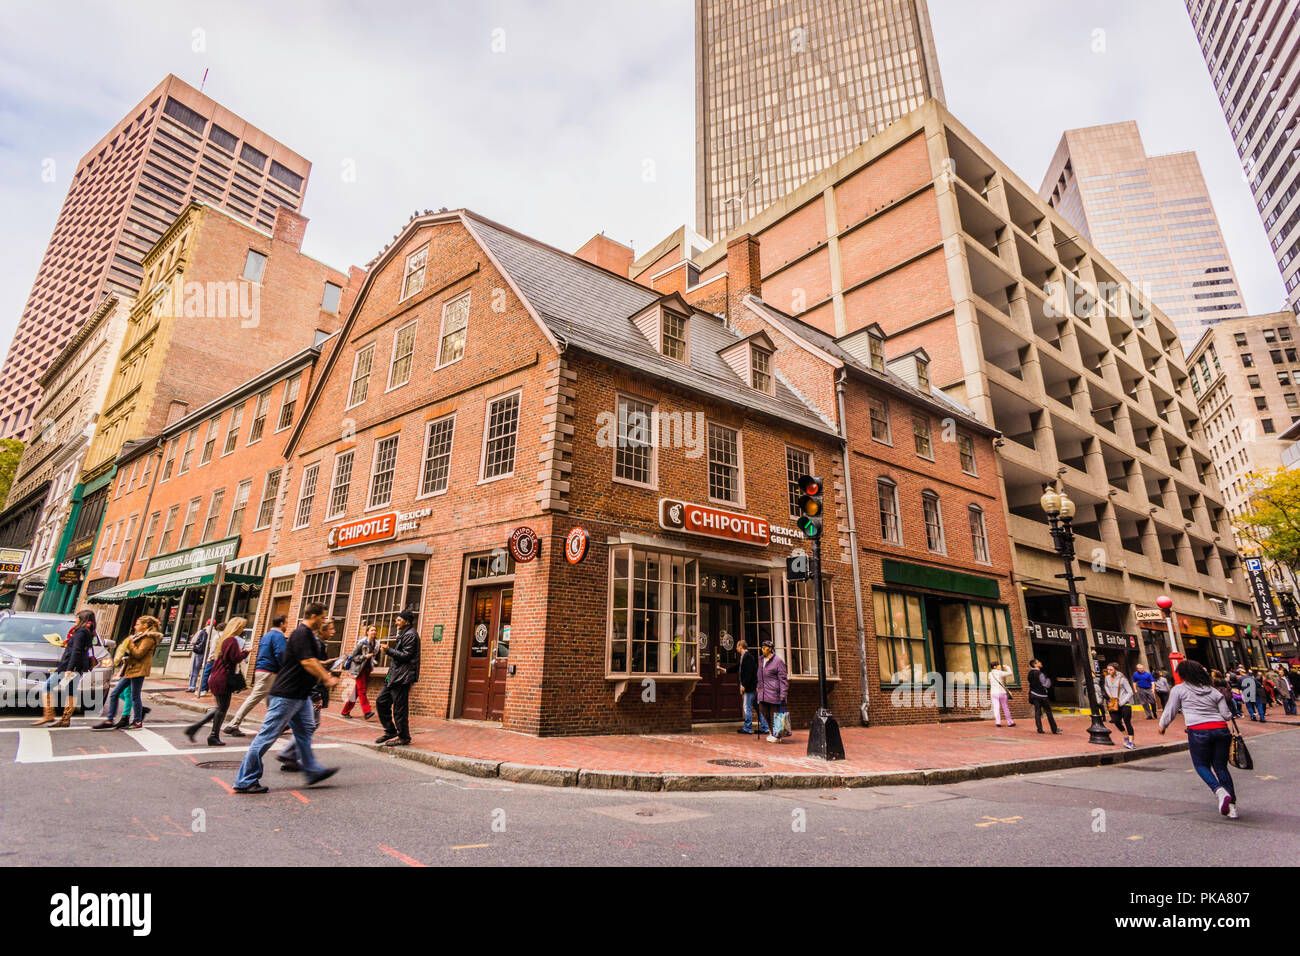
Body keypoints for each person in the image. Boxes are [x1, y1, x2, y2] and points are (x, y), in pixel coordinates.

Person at [231, 603, 340, 794]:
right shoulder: (301, 633)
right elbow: (307, 662)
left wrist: (323, 665)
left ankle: (312, 771)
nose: (324, 621)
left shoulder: (308, 637)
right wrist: (326, 677)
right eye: (322, 617)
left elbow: (307, 660)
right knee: (267, 736)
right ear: (313, 616)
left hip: (301, 695)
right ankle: (245, 780)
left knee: (305, 731)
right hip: (286, 695)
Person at [1158, 659, 1239, 818]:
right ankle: (1232, 807)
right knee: (1221, 767)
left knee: (1201, 765)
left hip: (1198, 730)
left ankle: (1220, 792)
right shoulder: (1214, 691)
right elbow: (1226, 715)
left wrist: (1162, 726)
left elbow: (1171, 710)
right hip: (1221, 729)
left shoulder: (1179, 690)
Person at [278, 617, 338, 772]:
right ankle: (289, 753)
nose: (334, 632)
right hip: (306, 692)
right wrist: (316, 694)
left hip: (305, 692)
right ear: (323, 629)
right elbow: (308, 670)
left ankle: (295, 760)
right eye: (331, 629)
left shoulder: (318, 643)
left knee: (307, 725)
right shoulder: (314, 643)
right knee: (309, 725)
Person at [184, 618, 248, 746]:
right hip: (223, 678)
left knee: (221, 707)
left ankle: (199, 730)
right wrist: (246, 652)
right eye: (242, 627)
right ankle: (210, 734)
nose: (243, 629)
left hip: (217, 676)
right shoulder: (232, 641)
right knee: (222, 708)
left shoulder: (224, 639)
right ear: (237, 627)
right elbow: (234, 658)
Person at [222, 615, 288, 737]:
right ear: (281, 624)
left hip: (261, 670)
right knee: (254, 698)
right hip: (269, 672)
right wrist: (285, 668)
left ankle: (277, 725)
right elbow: (281, 654)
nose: (287, 626)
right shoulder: (279, 636)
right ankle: (233, 724)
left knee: (271, 699)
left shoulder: (266, 636)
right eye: (286, 623)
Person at [92, 617, 160, 730]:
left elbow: (139, 654)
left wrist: (130, 644)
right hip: (131, 669)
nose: (135, 626)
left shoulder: (149, 638)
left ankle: (137, 721)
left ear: (146, 625)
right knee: (115, 693)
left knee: (134, 696)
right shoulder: (139, 636)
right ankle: (110, 720)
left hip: (138, 670)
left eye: (138, 624)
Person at [34, 609, 97, 728]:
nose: (75, 619)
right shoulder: (88, 631)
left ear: (82, 619)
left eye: (77, 617)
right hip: (78, 666)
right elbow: (78, 648)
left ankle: (49, 715)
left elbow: (76, 651)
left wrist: (69, 668)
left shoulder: (81, 632)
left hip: (70, 665)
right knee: (71, 691)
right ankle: (65, 719)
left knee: (47, 686)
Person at [375, 610, 421, 747]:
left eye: (398, 620)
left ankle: (404, 737)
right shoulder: (404, 633)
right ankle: (390, 731)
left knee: (399, 709)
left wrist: (389, 650)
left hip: (402, 677)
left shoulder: (411, 635)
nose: (396, 622)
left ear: (407, 622)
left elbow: (406, 655)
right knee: (381, 701)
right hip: (394, 676)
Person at [716, 637, 769, 735]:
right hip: (753, 686)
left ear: (740, 646)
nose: (736, 648)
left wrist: (744, 684)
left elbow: (749, 673)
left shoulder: (748, 657)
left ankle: (747, 728)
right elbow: (738, 667)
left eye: (737, 646)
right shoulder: (745, 656)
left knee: (746, 706)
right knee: (757, 707)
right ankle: (765, 727)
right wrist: (726, 670)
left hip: (750, 687)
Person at [754, 638, 789, 743]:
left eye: (764, 648)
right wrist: (757, 686)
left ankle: (777, 735)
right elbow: (759, 675)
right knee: (763, 710)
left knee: (775, 715)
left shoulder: (778, 661)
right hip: (763, 692)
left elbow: (783, 679)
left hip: (774, 692)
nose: (762, 650)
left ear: (769, 649)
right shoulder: (761, 660)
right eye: (762, 648)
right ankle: (772, 731)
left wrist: (783, 693)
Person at [340, 624, 378, 720]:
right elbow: (353, 657)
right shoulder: (362, 643)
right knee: (362, 691)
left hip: (367, 670)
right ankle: (367, 712)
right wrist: (364, 657)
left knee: (356, 693)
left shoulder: (376, 643)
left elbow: (375, 656)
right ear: (367, 632)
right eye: (372, 630)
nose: (374, 632)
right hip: (359, 670)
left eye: (375, 630)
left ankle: (345, 711)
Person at [1102, 662, 1136, 749]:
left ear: (1115, 670)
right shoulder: (1107, 678)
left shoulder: (1122, 679)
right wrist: (1110, 696)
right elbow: (1106, 687)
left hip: (1125, 704)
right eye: (1108, 669)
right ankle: (1125, 736)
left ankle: (1131, 742)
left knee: (1127, 722)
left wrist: (1122, 701)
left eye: (1111, 669)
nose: (1109, 671)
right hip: (1114, 704)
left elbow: (1130, 692)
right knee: (1115, 721)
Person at [1026, 658, 1060, 734]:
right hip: (1042, 695)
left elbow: (1029, 682)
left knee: (1037, 712)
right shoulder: (1040, 674)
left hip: (1034, 694)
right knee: (1048, 712)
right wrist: (1049, 680)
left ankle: (1040, 729)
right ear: (1035, 664)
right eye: (1038, 662)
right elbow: (1046, 684)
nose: (1040, 663)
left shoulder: (1029, 673)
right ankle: (1054, 729)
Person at [188, 619, 216, 694]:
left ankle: (192, 687)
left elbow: (193, 641)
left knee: (195, 669)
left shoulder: (202, 631)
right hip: (209, 653)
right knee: (206, 671)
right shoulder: (216, 633)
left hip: (200, 652)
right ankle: (203, 687)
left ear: (207, 623)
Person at [988, 660, 1015, 727]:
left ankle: (998, 722)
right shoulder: (1000, 673)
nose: (1000, 666)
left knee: (996, 708)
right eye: (998, 665)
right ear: (995, 666)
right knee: (1005, 707)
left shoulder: (990, 674)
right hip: (1001, 692)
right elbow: (1010, 673)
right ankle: (1010, 722)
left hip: (993, 693)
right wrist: (1007, 667)